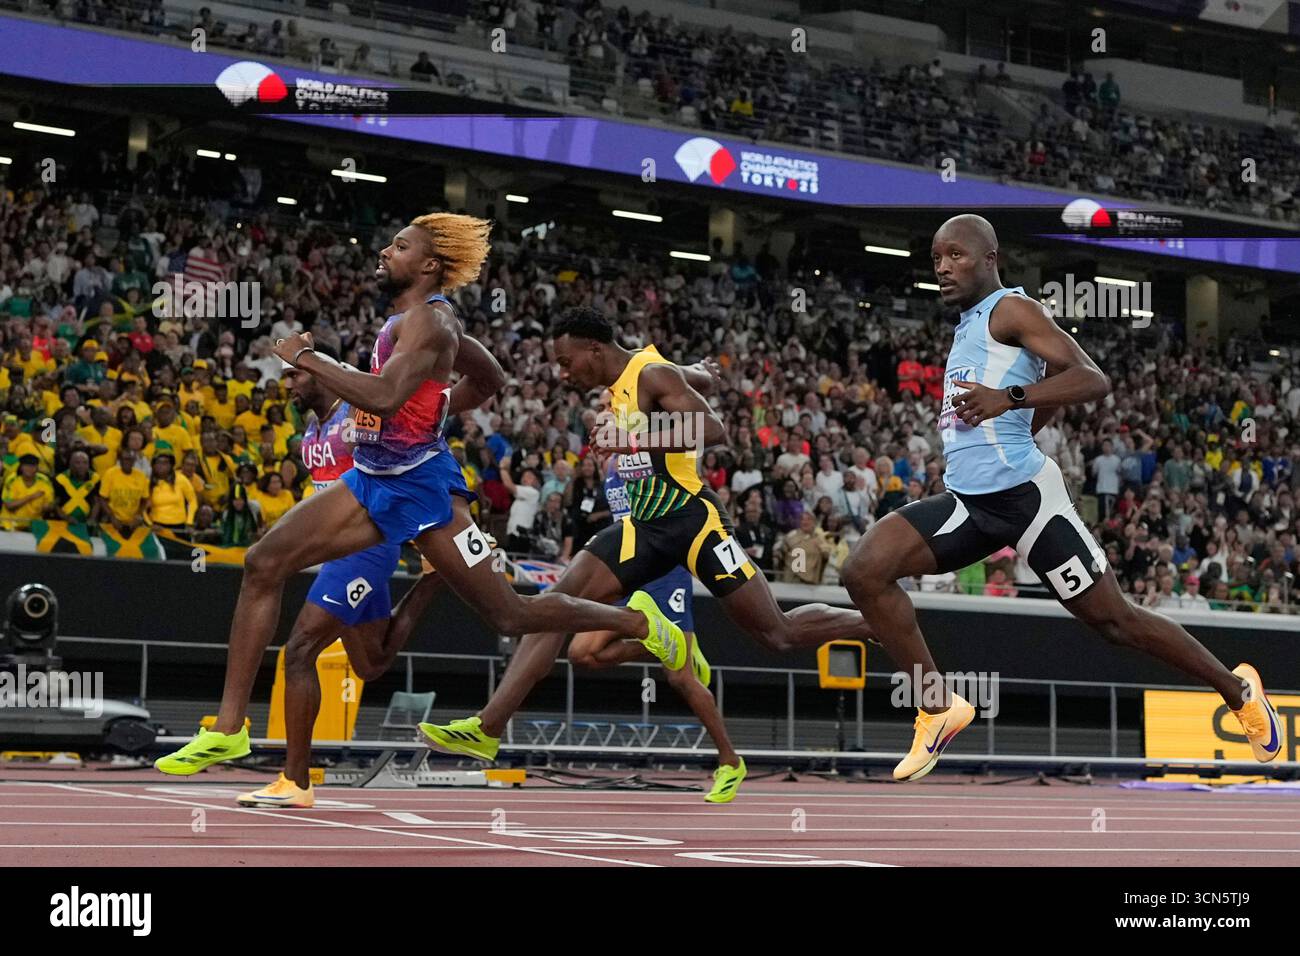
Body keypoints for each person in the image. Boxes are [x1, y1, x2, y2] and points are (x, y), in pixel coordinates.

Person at [155, 214, 685, 775]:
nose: (385, 251)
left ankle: (640, 624)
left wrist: (311, 359)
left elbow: (384, 396)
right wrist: (438, 405)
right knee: (263, 563)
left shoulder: (432, 325)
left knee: (509, 615)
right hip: (370, 479)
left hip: (422, 488)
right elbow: (490, 380)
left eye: (399, 246)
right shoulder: (418, 322)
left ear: (429, 265)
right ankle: (231, 728)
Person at [839, 214, 1283, 782]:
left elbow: (1092, 378)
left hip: (1027, 502)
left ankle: (1237, 689)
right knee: (865, 571)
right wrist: (1021, 412)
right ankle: (938, 706)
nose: (944, 268)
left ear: (990, 259)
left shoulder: (1013, 310)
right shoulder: (970, 321)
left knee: (1113, 621)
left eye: (956, 257)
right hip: (971, 503)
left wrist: (1010, 398)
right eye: (936, 260)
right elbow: (1027, 402)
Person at [422, 307, 875, 766]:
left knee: (778, 633)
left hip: (691, 523)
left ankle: (872, 622)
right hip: (642, 528)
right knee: (552, 611)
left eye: (566, 361)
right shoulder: (633, 377)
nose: (562, 374)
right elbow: (692, 377)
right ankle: (487, 728)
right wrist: (704, 373)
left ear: (594, 349)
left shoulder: (649, 373)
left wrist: (631, 441)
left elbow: (712, 429)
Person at [234, 354, 448, 808]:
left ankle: (296, 780)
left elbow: (398, 460)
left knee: (299, 652)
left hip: (363, 548)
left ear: (320, 371)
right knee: (370, 663)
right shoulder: (311, 430)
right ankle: (435, 579)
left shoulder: (358, 411)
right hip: (336, 548)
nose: (288, 384)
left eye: (295, 373)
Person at [566, 393, 746, 802]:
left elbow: (688, 472)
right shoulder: (607, 458)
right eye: (602, 409)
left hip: (664, 564)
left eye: (611, 406)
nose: (604, 412)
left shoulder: (651, 441)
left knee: (680, 677)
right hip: (626, 566)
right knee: (581, 654)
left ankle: (730, 761)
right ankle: (661, 640)